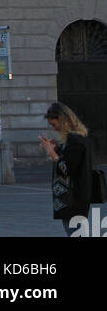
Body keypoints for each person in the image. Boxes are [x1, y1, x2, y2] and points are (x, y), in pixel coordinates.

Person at [39, 101, 92, 235]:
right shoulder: (75, 139)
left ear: (62, 120)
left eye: (54, 124)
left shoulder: (75, 140)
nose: (54, 128)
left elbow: (67, 168)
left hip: (74, 201)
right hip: (74, 200)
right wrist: (56, 148)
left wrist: (52, 153)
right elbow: (70, 158)